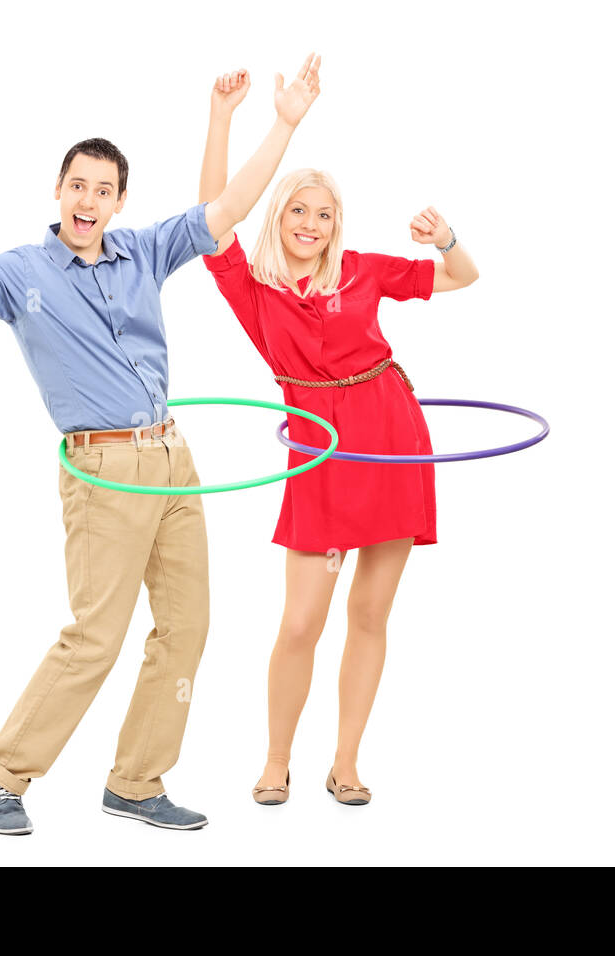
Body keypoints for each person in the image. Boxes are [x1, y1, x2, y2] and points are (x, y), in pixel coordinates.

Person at [0, 53, 321, 835]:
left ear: (119, 200)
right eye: (77, 187)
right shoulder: (21, 273)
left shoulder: (147, 251)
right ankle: (1, 770)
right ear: (58, 193)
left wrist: (285, 121)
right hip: (103, 470)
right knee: (96, 635)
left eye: (104, 190)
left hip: (174, 458)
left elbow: (228, 206)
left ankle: (136, 781)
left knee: (188, 628)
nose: (89, 201)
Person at [197, 69, 479, 808]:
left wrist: (445, 237)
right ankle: (275, 760)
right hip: (322, 458)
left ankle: (346, 763)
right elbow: (211, 216)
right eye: (299, 210)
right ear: (279, 216)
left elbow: (464, 276)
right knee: (300, 622)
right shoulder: (250, 285)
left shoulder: (359, 272)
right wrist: (227, 116)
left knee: (369, 614)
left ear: (336, 225)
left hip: (392, 441)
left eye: (324, 214)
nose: (311, 224)